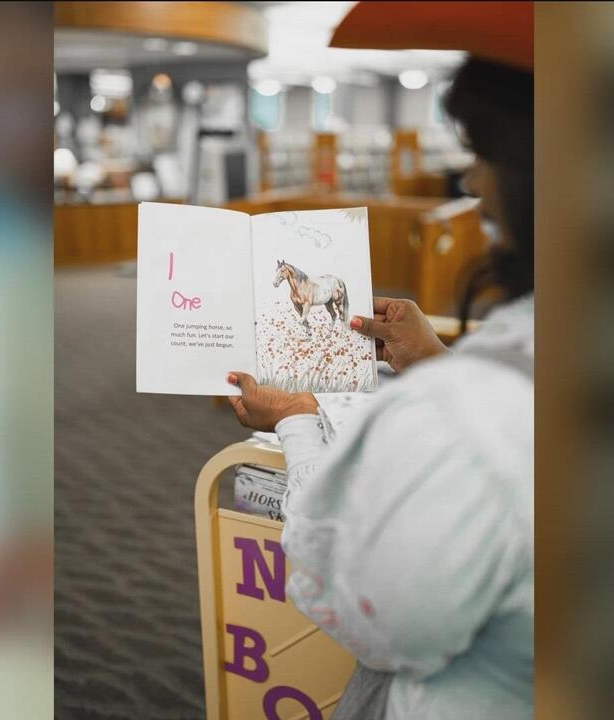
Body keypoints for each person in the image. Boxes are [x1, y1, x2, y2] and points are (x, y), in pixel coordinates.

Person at [227, 5, 533, 718]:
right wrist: (433, 359)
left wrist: (301, 423)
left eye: (485, 157)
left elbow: (369, 617)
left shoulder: (463, 420)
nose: (474, 187)